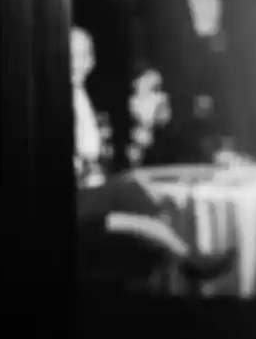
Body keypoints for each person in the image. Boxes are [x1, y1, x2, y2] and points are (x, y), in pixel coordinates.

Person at [72, 27, 234, 287]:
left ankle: (183, 258)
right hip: (76, 202)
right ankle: (189, 261)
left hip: (92, 190)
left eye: (82, 56)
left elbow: (113, 157)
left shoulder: (87, 99)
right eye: (70, 56)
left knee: (140, 193)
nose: (76, 64)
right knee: (138, 210)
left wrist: (145, 129)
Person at [142, 0, 248, 164]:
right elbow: (160, 31)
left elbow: (231, 21)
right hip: (181, 63)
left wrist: (221, 40)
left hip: (217, 58)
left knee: (226, 111)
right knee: (185, 120)